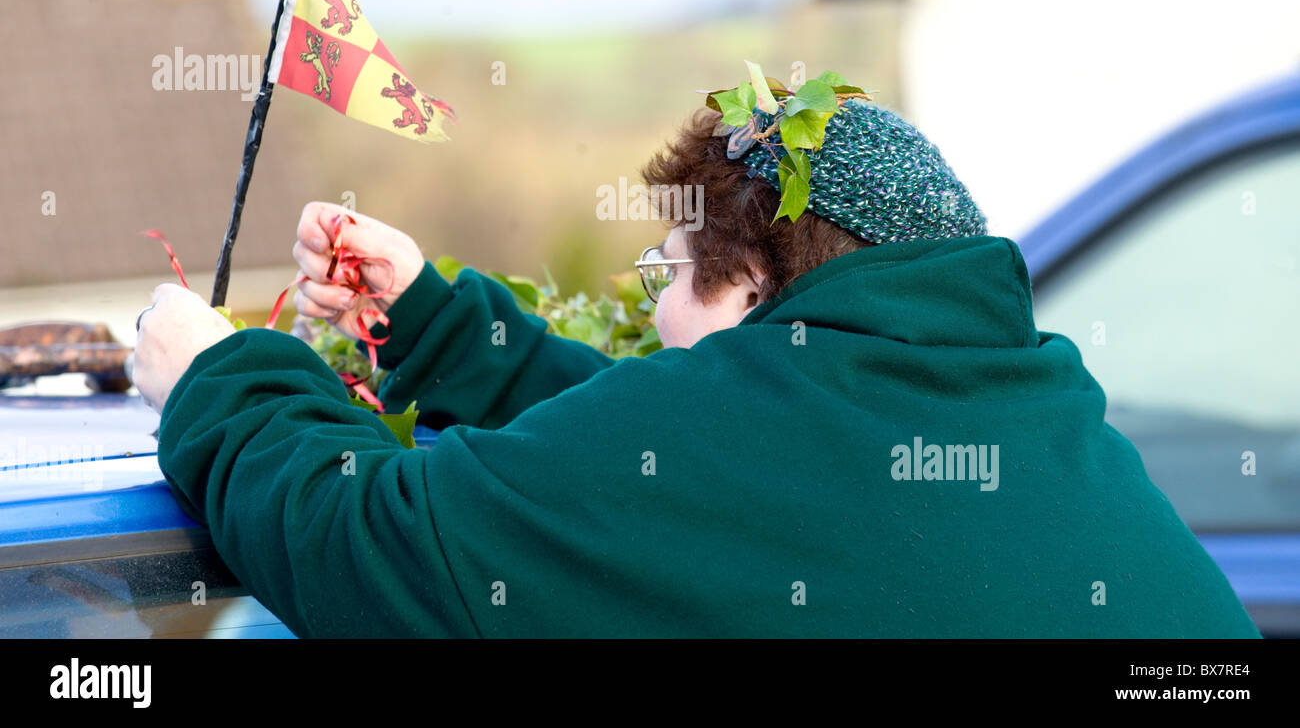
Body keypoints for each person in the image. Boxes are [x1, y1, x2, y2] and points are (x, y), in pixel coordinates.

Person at [130, 90, 1261, 638]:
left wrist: (214, 382)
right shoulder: (1027, 411)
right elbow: (680, 482)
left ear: (754, 284)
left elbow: (371, 543)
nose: (657, 310)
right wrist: (436, 323)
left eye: (666, 273)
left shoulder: (765, 429)